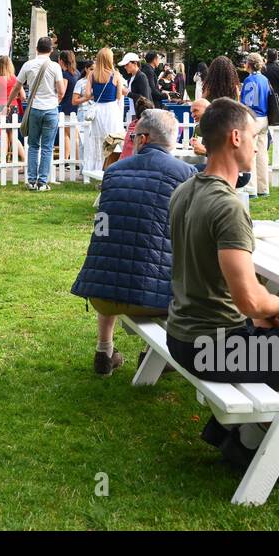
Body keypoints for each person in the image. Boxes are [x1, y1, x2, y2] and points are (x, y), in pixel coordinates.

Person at [166, 99, 279, 398]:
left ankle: (245, 431)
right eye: (253, 137)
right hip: (212, 349)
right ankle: (266, 435)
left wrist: (269, 315)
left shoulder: (184, 190)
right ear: (235, 138)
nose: (257, 147)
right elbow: (250, 301)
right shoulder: (227, 207)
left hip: (181, 335)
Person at [71, 110, 195, 375]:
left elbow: (102, 228)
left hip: (101, 294)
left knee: (114, 255)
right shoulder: (186, 174)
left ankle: (104, 350)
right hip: (155, 298)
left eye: (134, 135)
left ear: (144, 138)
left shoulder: (113, 172)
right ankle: (158, 355)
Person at [7, 37, 65, 191]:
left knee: (33, 146)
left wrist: (7, 104)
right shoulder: (55, 67)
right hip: (51, 108)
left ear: (36, 49)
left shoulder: (28, 65)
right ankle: (42, 182)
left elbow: (16, 87)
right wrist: (56, 100)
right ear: (51, 50)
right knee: (47, 147)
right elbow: (61, 91)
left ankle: (32, 180)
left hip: (34, 108)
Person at [75, 48, 126, 174]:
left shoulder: (92, 75)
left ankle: (96, 168)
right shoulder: (116, 75)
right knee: (113, 140)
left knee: (97, 140)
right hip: (111, 109)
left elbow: (87, 94)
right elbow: (119, 96)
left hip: (98, 110)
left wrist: (95, 94)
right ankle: (111, 168)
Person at [240, 53, 273, 196]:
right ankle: (263, 188)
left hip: (253, 118)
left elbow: (246, 102)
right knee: (262, 153)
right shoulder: (265, 79)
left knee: (250, 152)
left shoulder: (249, 80)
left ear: (249, 64)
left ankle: (251, 187)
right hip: (264, 118)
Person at [0, 54, 24, 161]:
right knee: (14, 136)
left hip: (0, 107)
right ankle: (24, 159)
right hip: (13, 107)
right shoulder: (15, 79)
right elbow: (23, 96)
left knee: (3, 136)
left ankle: (2, 162)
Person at [57, 50, 81, 162]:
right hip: (75, 107)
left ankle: (77, 160)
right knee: (66, 134)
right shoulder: (77, 73)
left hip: (67, 107)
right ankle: (66, 158)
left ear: (61, 61)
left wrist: (55, 102)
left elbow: (62, 92)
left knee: (71, 135)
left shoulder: (65, 74)